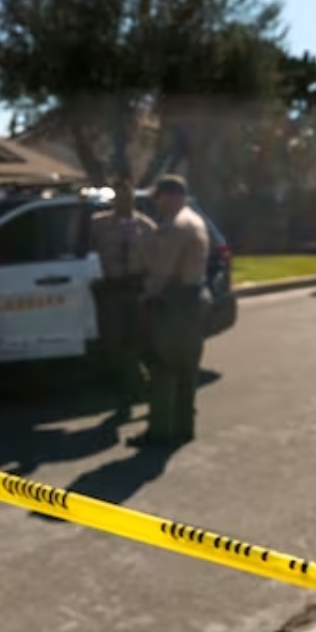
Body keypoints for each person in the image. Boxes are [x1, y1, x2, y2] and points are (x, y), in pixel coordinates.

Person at [131, 174, 210, 448]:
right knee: (187, 368)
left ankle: (160, 431)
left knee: (163, 367)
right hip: (194, 297)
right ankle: (183, 426)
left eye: (159, 197)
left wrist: (146, 298)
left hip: (174, 300)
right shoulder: (196, 220)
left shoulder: (176, 227)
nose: (157, 203)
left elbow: (162, 271)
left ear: (172, 196)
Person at [89, 172, 158, 417]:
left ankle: (139, 388)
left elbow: (156, 261)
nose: (123, 201)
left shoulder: (147, 226)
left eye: (127, 196)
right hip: (111, 290)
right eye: (119, 196)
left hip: (137, 289)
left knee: (138, 342)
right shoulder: (98, 224)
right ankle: (125, 390)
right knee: (114, 343)